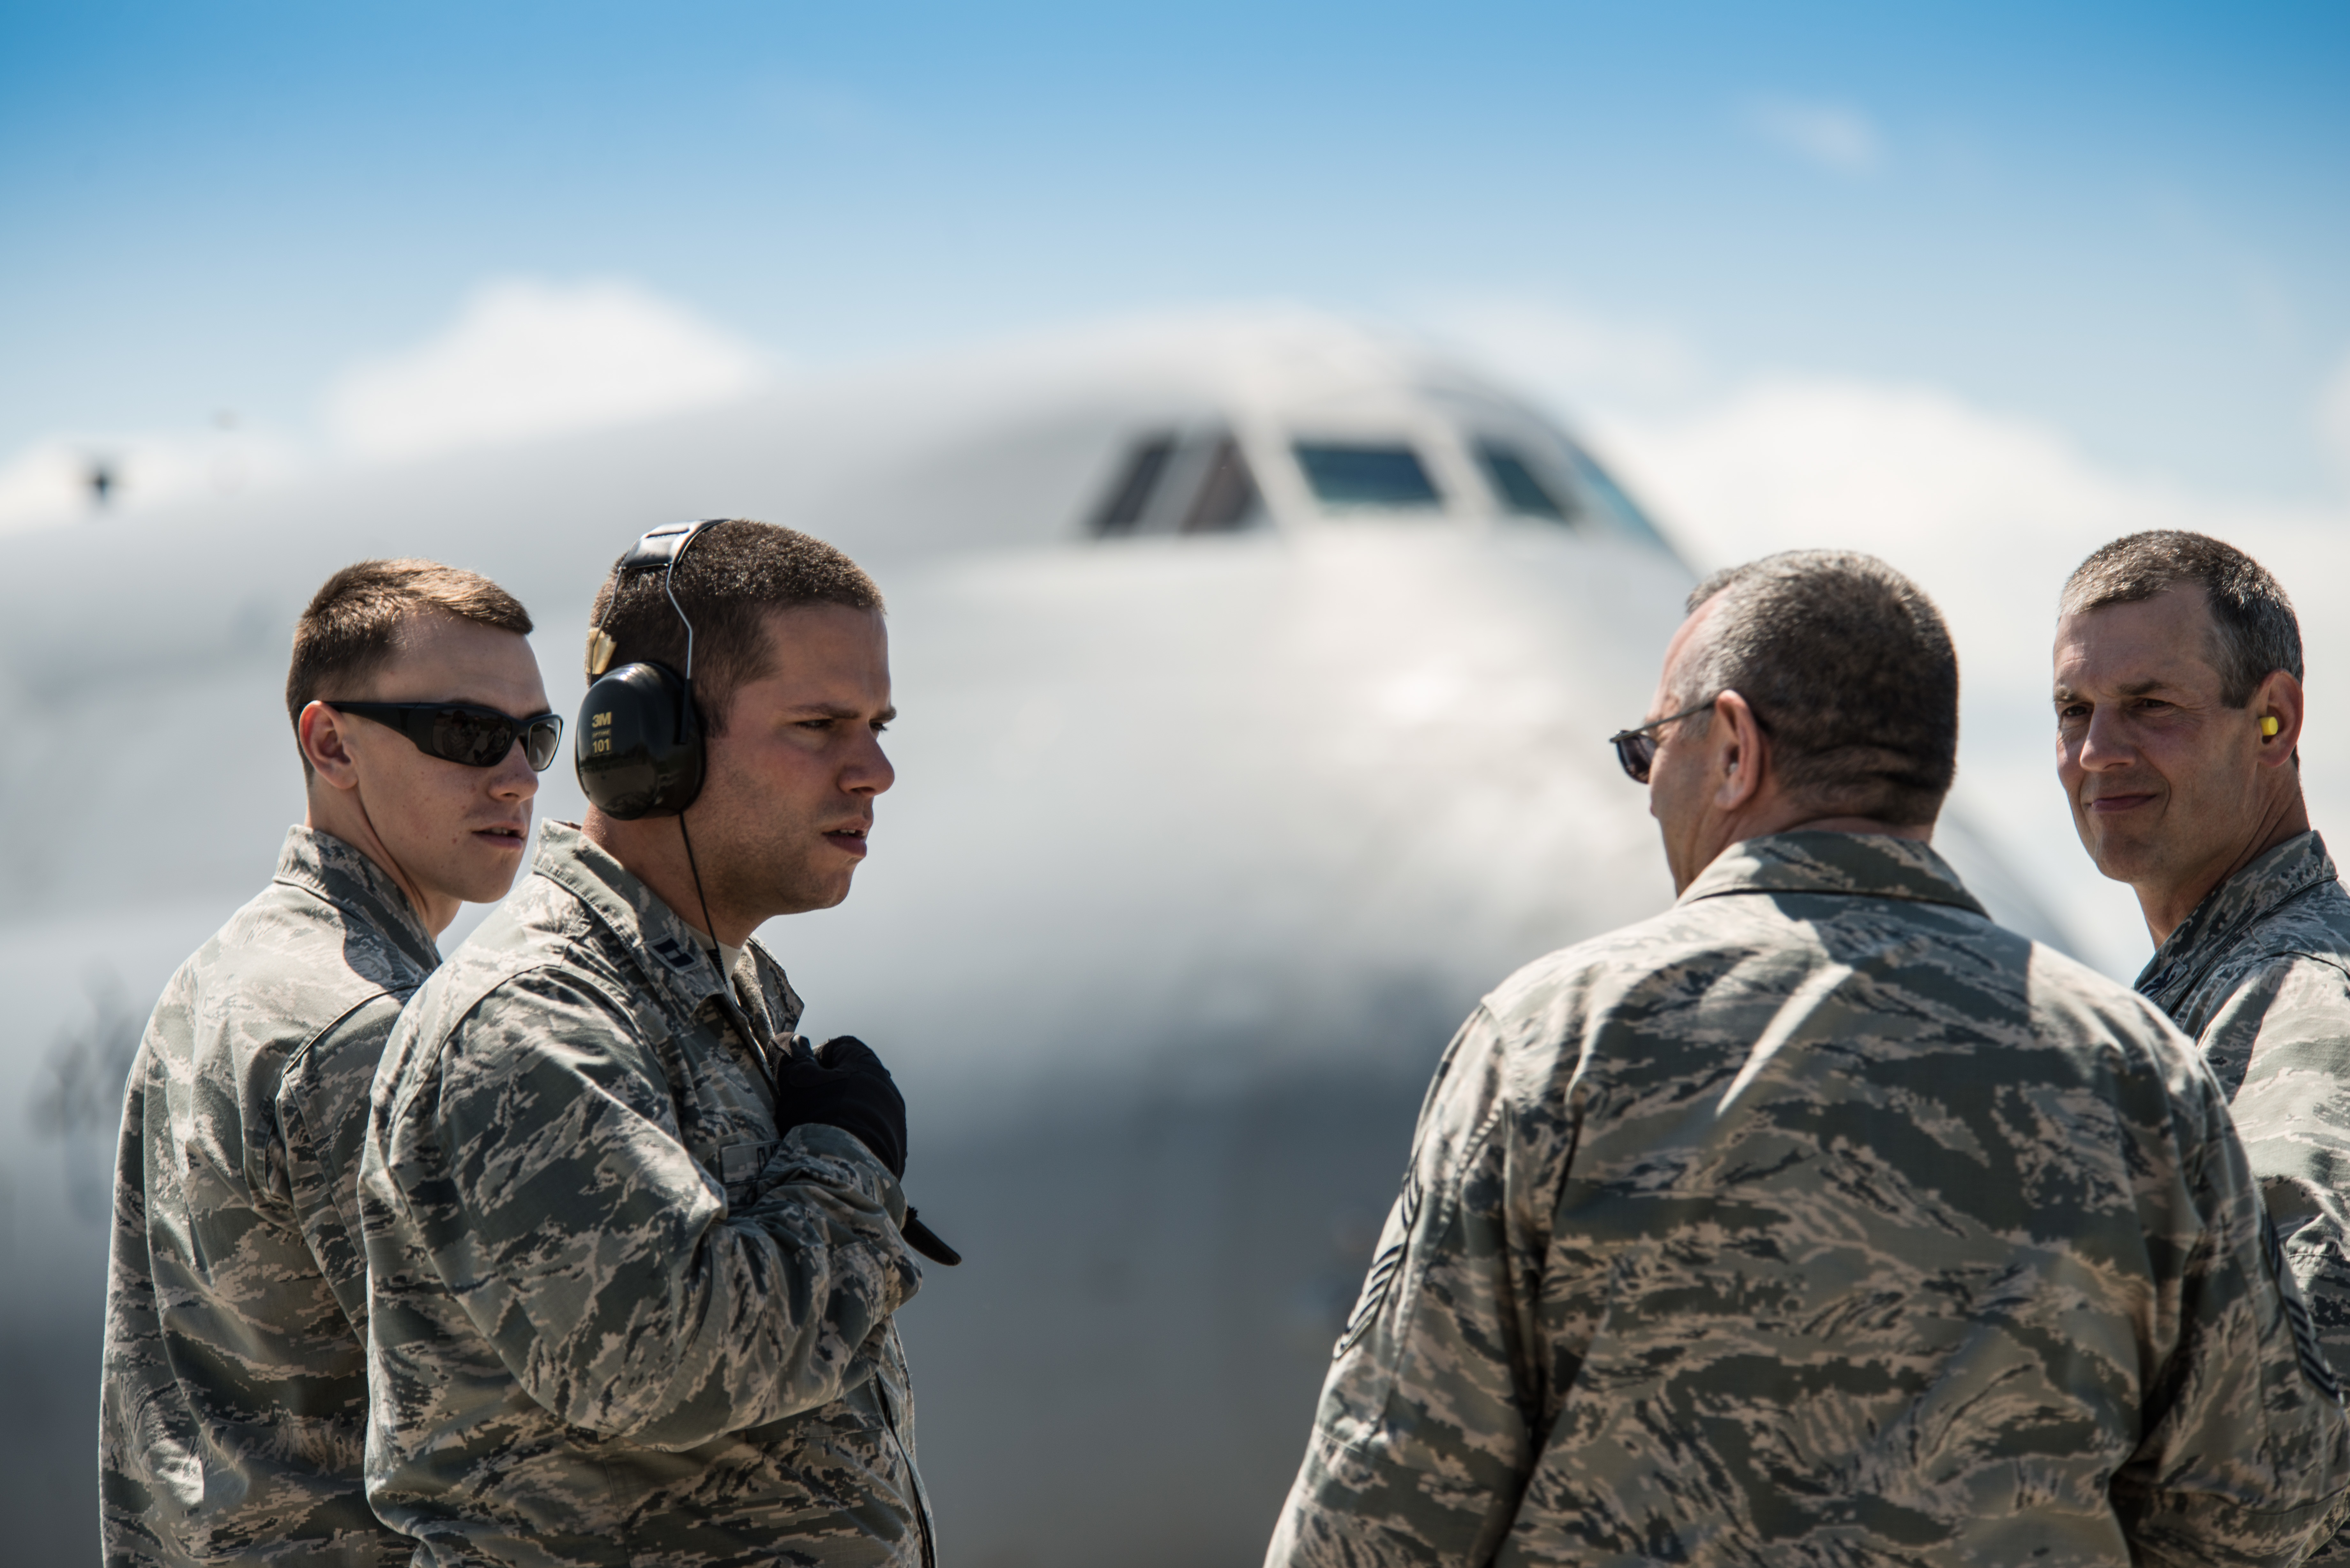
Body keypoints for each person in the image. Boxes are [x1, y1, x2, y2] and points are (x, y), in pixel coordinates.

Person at [1263, 548, 2350, 1567]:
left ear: (1734, 749)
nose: (2098, 750)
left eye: (1650, 749)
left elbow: (1383, 1514)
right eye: (2074, 711)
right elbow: (2259, 1508)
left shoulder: (1555, 1039)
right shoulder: (2135, 1069)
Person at [360, 519, 941, 1567]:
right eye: (819, 726)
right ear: (646, 742)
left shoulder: (710, 996)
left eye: (877, 726)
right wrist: (844, 1168)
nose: (874, 772)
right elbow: (667, 1365)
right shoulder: (535, 1017)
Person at [100, 559, 556, 1564]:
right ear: (332, 744)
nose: (518, 777)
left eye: (537, 738)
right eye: (469, 733)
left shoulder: (217, 979)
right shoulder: (371, 1031)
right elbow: (517, 1448)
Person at [2055, 528, 2350, 1558]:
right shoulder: (2213, 994)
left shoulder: (2305, 1007)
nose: (2098, 752)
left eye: (2151, 707)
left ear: (2275, 722)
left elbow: (2288, 1444)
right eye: (2074, 711)